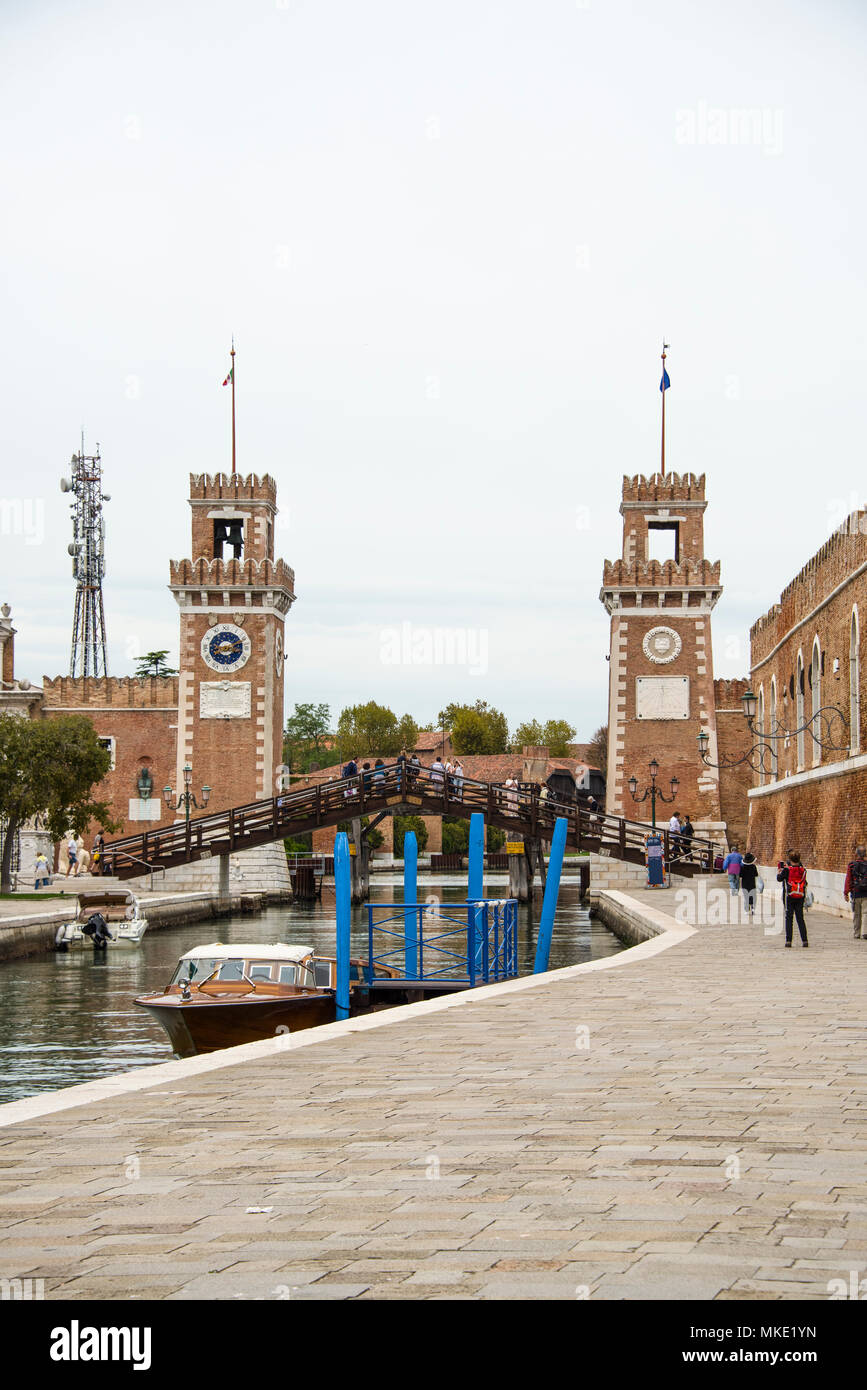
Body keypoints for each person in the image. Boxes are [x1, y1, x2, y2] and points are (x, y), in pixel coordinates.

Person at [778, 851, 809, 947]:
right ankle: (804, 940)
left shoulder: (787, 870)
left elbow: (779, 879)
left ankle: (788, 941)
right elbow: (805, 883)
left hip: (789, 896)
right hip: (800, 896)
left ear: (790, 860)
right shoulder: (803, 870)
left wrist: (779, 871)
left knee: (789, 918)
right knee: (800, 918)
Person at [844, 845, 867, 940]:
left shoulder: (851, 865)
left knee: (856, 914)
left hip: (855, 892)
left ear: (856, 854)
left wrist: (846, 892)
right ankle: (865, 932)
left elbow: (848, 879)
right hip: (866, 893)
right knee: (866, 913)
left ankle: (857, 933)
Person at [739, 851, 760, 919]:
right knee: (752, 896)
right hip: (752, 883)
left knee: (746, 896)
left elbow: (740, 875)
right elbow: (756, 874)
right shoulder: (753, 867)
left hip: (745, 883)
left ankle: (747, 910)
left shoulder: (742, 867)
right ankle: (753, 908)